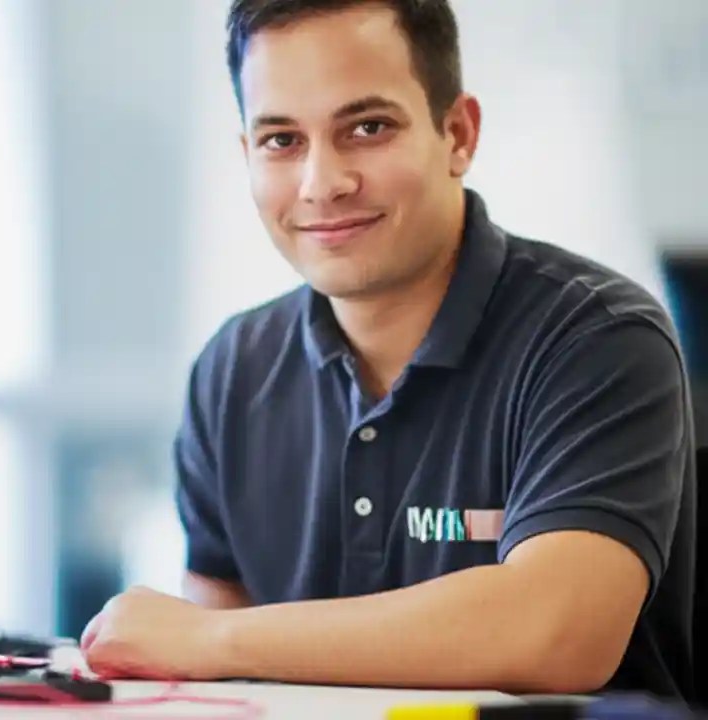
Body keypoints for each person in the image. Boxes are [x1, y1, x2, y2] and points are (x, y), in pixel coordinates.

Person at [79, 0, 696, 699]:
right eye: (282, 140)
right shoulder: (232, 371)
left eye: (367, 128)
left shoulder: (598, 338)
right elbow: (221, 687)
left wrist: (210, 639)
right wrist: (202, 645)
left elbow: (559, 635)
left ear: (458, 134)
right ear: (246, 154)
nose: (322, 184)